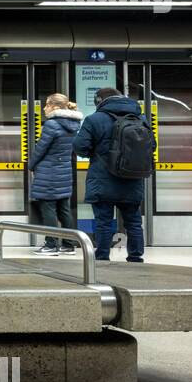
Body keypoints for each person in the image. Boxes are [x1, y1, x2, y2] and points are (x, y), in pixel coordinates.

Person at [72, 87, 154, 262]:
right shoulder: (140, 119)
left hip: (103, 179)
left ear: (99, 101)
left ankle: (102, 257)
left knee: (103, 222)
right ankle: (136, 257)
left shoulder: (94, 119)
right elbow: (151, 146)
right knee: (133, 222)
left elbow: (80, 147)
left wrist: (96, 154)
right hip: (132, 179)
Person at [27, 93, 83, 255]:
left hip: (49, 172)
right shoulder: (73, 124)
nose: (44, 108)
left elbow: (40, 149)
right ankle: (68, 244)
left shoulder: (51, 124)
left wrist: (31, 165)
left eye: (47, 104)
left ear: (55, 107)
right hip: (64, 171)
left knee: (48, 208)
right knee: (64, 209)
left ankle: (51, 244)